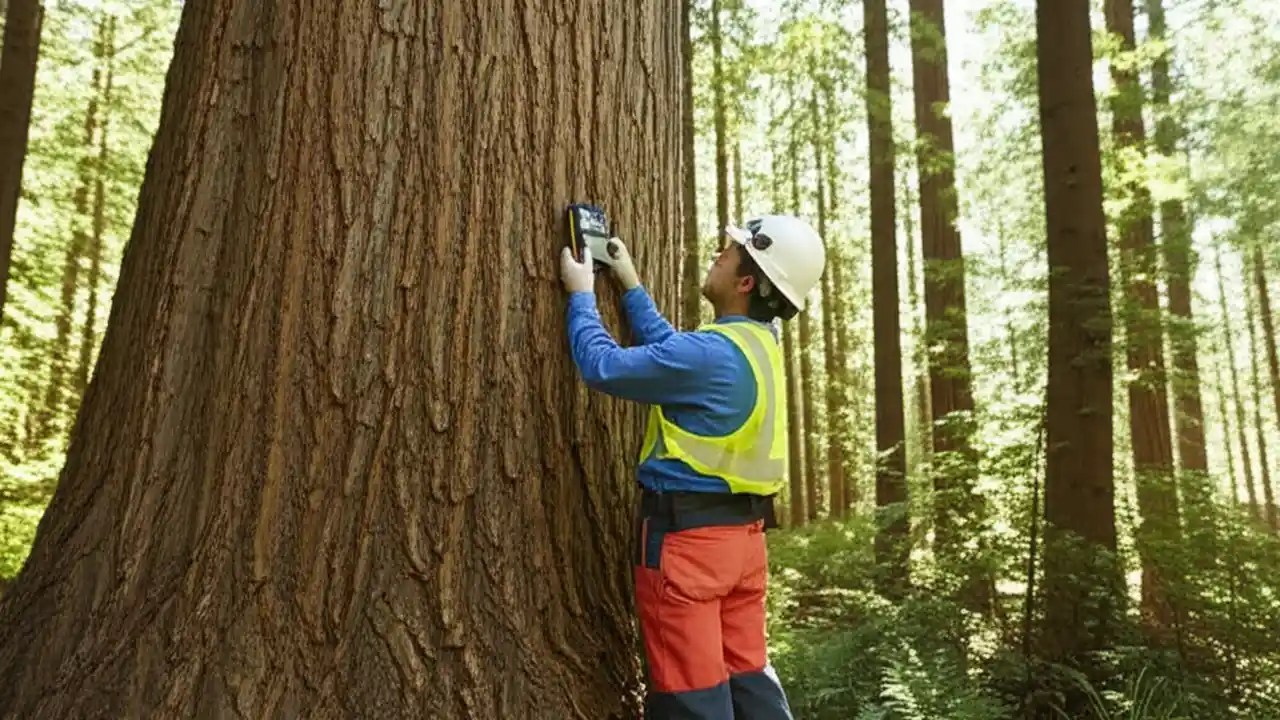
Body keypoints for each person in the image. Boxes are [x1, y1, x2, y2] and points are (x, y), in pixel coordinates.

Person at [558, 215, 826, 720]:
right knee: (751, 684)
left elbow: (603, 366)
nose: (717, 257)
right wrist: (631, 285)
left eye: (727, 254)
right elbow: (673, 355)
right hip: (742, 548)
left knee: (693, 700)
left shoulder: (711, 354)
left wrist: (581, 295)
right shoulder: (755, 346)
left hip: (688, 551)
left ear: (747, 282)